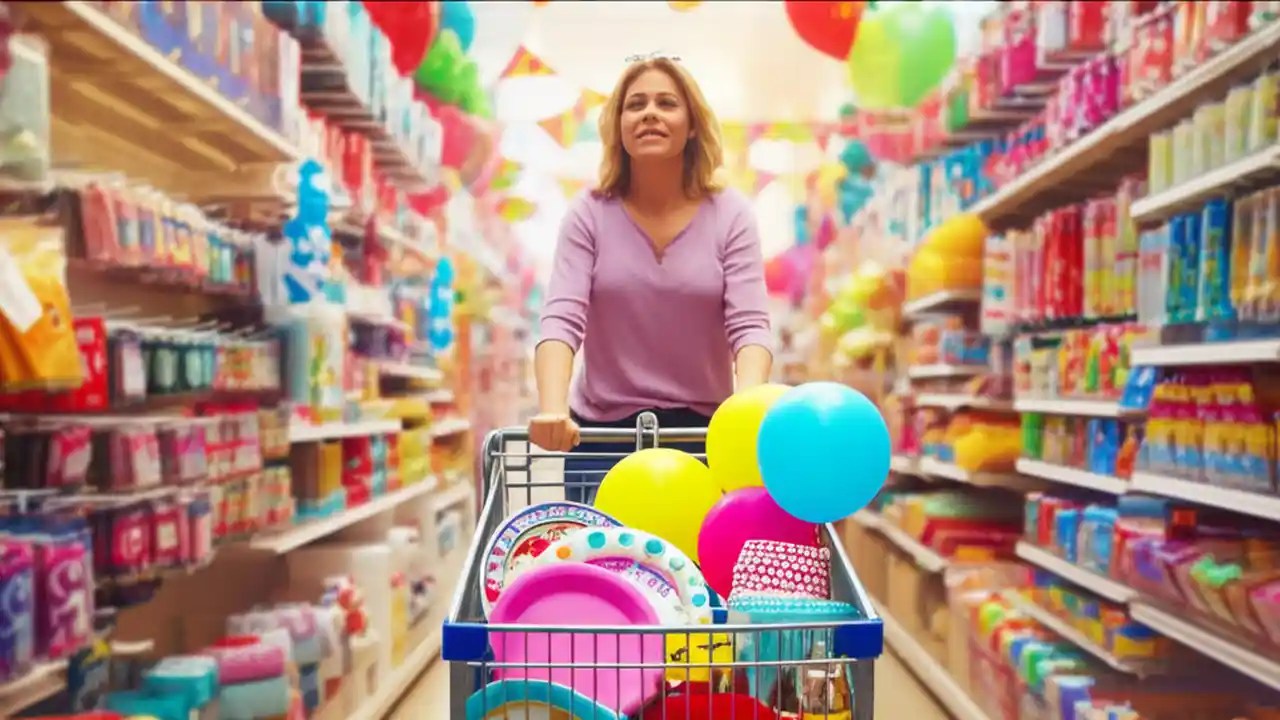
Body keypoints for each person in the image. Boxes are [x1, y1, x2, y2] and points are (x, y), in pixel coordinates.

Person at [527, 53, 773, 502]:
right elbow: (562, 318)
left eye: (667, 103)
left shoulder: (730, 215)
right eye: (635, 104)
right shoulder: (589, 213)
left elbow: (750, 325)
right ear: (618, 126)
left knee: (695, 570)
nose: (650, 114)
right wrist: (551, 409)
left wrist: (748, 410)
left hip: (702, 439)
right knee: (602, 570)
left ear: (693, 123)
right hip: (600, 441)